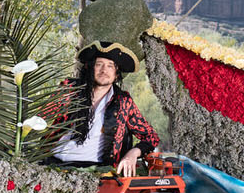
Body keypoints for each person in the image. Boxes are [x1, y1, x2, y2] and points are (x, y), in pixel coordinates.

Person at [41, 41, 162, 176]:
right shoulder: (69, 89)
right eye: (99, 64)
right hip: (52, 165)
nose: (104, 70)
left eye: (110, 66)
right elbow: (40, 117)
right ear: (90, 68)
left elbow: (151, 137)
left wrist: (133, 153)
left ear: (116, 74)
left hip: (94, 171)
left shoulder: (123, 102)